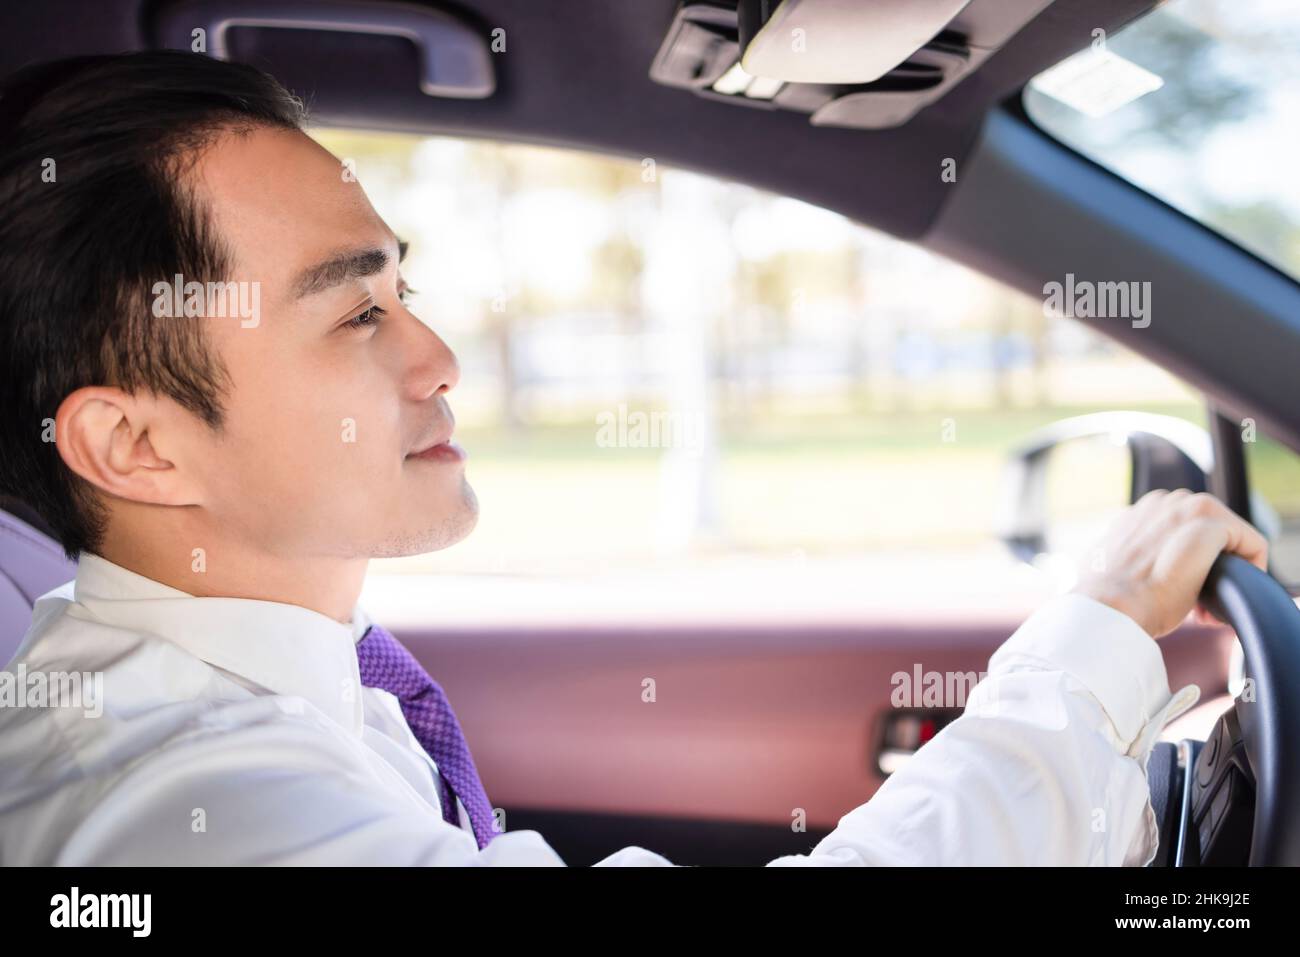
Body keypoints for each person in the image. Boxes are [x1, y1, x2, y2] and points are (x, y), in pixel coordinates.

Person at [0, 51, 1267, 866]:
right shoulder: (198, 808)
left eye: (405, 292)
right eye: (354, 313)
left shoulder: (275, 691)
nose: (440, 358)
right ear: (138, 446)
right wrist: (1096, 637)